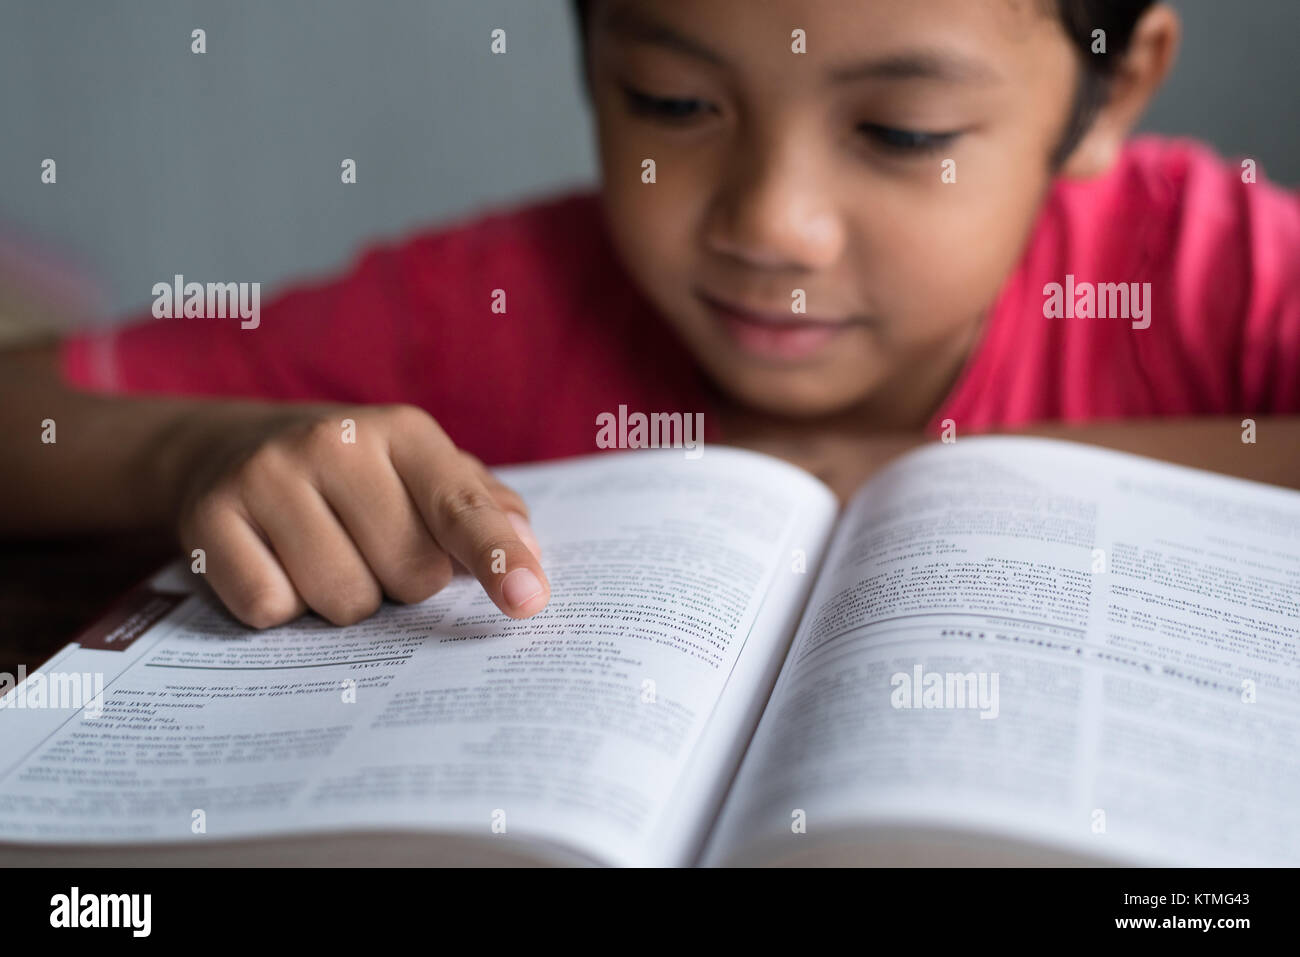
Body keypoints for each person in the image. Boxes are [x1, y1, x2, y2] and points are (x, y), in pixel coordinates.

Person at [1, 0, 1296, 630]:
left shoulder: (1206, 263)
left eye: (905, 132)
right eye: (673, 102)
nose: (770, 221)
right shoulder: (486, 305)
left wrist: (905, 478)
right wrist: (196, 456)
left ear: (1113, 90)